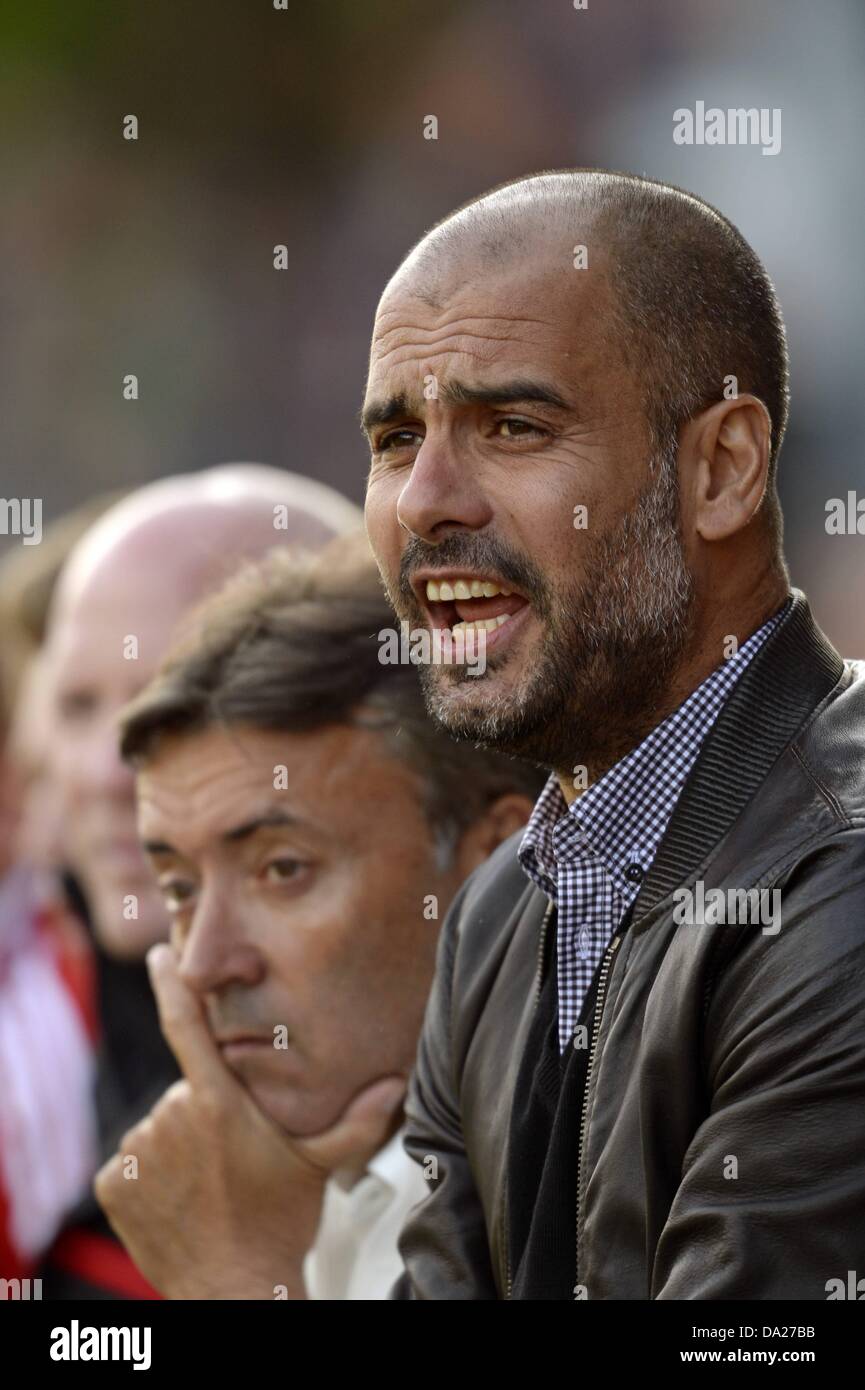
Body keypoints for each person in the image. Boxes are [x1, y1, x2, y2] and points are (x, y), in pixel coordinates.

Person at [359, 169, 865, 1299]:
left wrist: (236, 1265)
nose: (425, 499)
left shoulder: (842, 882)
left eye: (513, 425)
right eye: (396, 438)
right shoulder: (499, 912)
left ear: (722, 468)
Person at [94, 539, 542, 1298]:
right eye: (177, 887)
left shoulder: (604, 1183)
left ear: (494, 863)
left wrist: (233, 1280)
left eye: (281, 870)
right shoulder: (271, 1190)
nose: (203, 963)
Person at [38, 463, 361, 1297]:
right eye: (77, 706)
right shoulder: (40, 1029)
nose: (107, 771)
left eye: (161, 704)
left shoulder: (491, 1082)